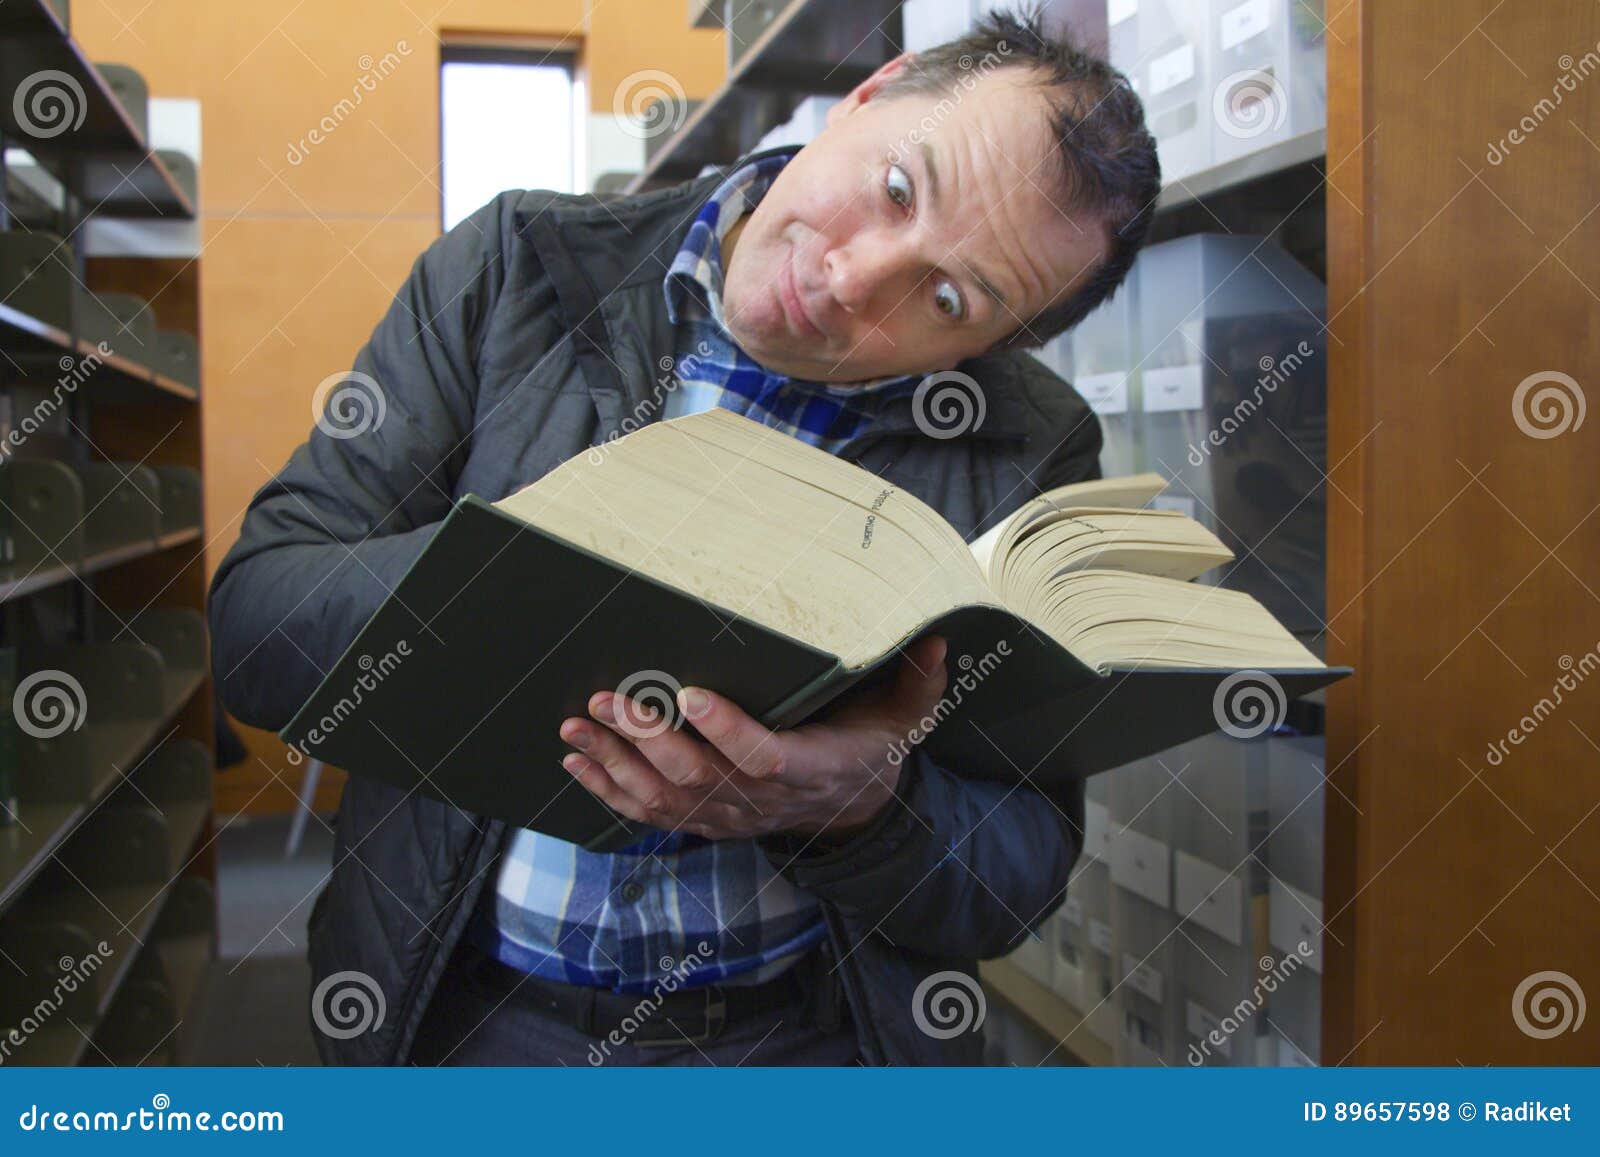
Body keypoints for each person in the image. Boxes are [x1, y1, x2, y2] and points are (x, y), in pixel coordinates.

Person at [207, 8, 1159, 1067]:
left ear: (986, 347)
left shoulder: (1030, 444)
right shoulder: (514, 267)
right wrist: (525, 575)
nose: (853, 280)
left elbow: (1014, 874)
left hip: (804, 1046)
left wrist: (866, 806)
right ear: (872, 92)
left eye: (945, 296)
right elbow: (257, 628)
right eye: (898, 188)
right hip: (465, 1017)